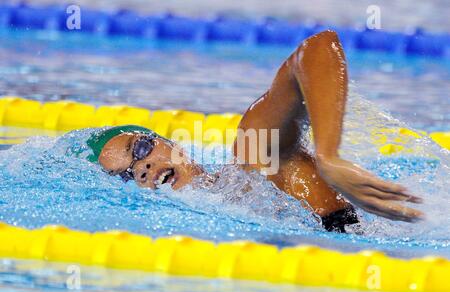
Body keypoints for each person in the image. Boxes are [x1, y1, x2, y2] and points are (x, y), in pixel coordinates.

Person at [87, 30, 423, 233]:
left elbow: (319, 47)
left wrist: (328, 156)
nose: (142, 168)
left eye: (140, 149)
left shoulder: (253, 156)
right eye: (127, 176)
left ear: (170, 143)